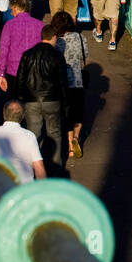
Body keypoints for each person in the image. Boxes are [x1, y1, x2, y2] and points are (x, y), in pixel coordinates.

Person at [16, 22, 67, 170]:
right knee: (55, 133)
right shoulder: (57, 55)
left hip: (31, 99)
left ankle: (33, 168)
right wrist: (65, 102)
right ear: (53, 37)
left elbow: (20, 79)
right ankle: (55, 167)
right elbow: (62, 81)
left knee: (33, 134)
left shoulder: (28, 54)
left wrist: (19, 97)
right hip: (52, 99)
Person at [48, 10, 86, 159]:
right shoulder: (80, 37)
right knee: (78, 114)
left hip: (62, 82)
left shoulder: (56, 40)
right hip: (78, 81)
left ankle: (70, 145)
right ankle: (76, 138)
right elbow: (85, 54)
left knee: (67, 114)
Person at [0, 100, 46, 182]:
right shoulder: (29, 136)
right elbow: (39, 167)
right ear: (22, 116)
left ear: (4, 114)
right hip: (23, 186)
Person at [0, 0, 42, 93]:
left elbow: (4, 51)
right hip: (34, 69)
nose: (11, 13)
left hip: (14, 70)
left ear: (16, 8)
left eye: (12, 9)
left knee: (15, 104)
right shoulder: (39, 24)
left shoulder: (9, 25)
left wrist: (1, 74)